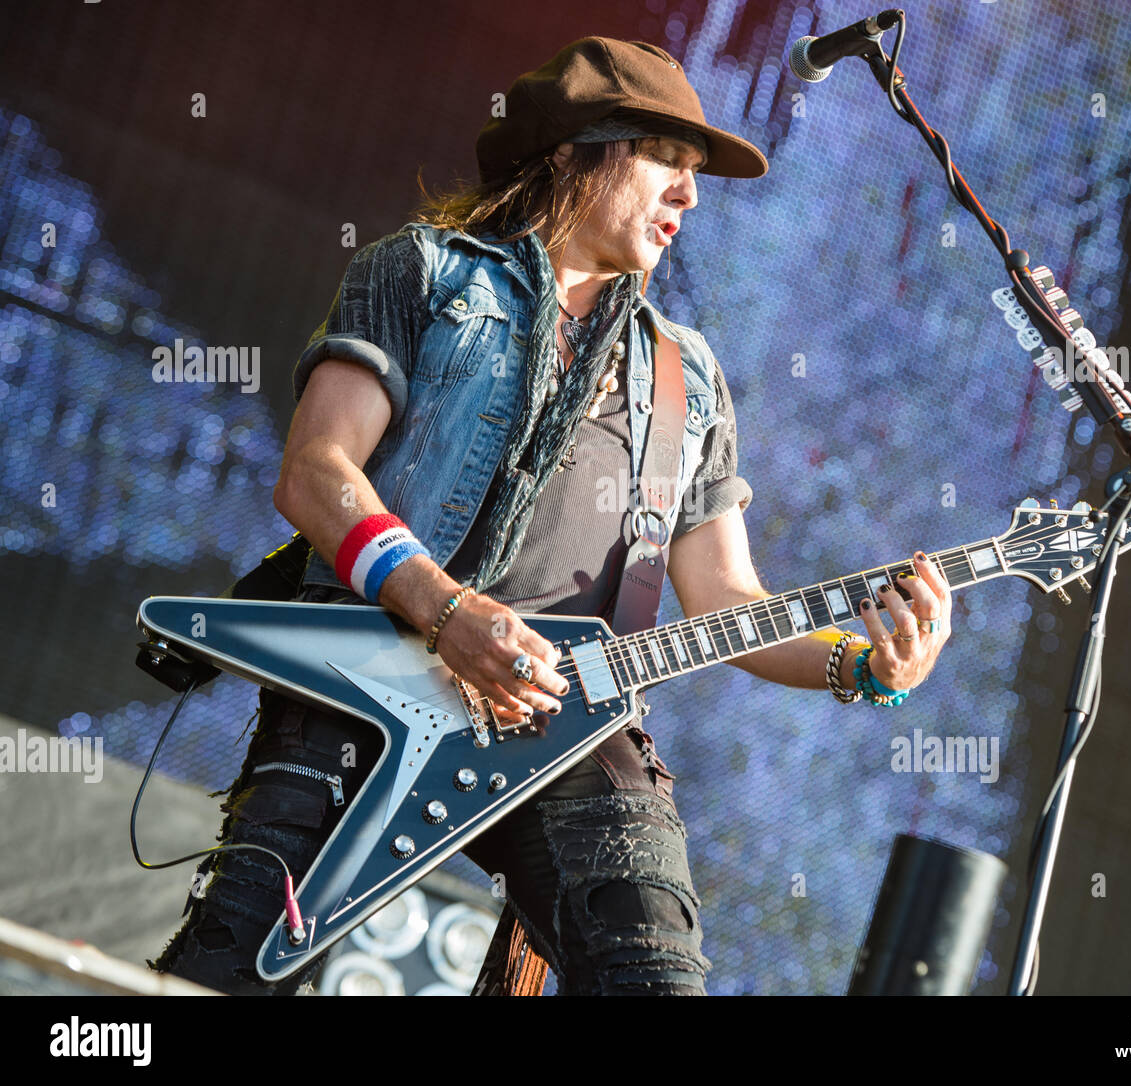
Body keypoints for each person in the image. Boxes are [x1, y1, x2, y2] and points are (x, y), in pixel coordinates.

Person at [149, 36, 952, 997]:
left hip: (572, 726)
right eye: (669, 162)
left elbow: (726, 599)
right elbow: (317, 473)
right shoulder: (425, 273)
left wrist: (864, 667)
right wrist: (450, 615)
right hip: (365, 687)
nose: (691, 197)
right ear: (577, 149)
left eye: (698, 176)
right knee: (227, 980)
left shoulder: (685, 375)